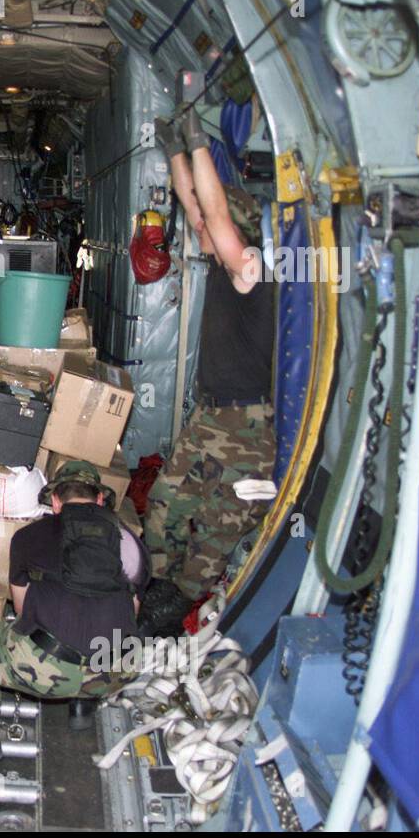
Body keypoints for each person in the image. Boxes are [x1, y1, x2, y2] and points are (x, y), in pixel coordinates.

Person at [0, 464, 145, 768]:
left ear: (55, 502)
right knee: (101, 629)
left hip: (47, 668)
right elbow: (131, 614)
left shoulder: (30, 536)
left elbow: (23, 611)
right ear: (101, 500)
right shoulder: (132, 542)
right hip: (117, 670)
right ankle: (82, 705)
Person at [142, 106, 276, 601]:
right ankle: (152, 592)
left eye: (212, 233)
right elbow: (199, 209)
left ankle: (179, 616)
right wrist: (175, 148)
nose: (198, 232)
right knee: (163, 506)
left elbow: (215, 215)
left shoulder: (252, 272)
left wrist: (199, 143)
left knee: (213, 541)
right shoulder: (225, 267)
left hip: (248, 432)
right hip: (211, 416)